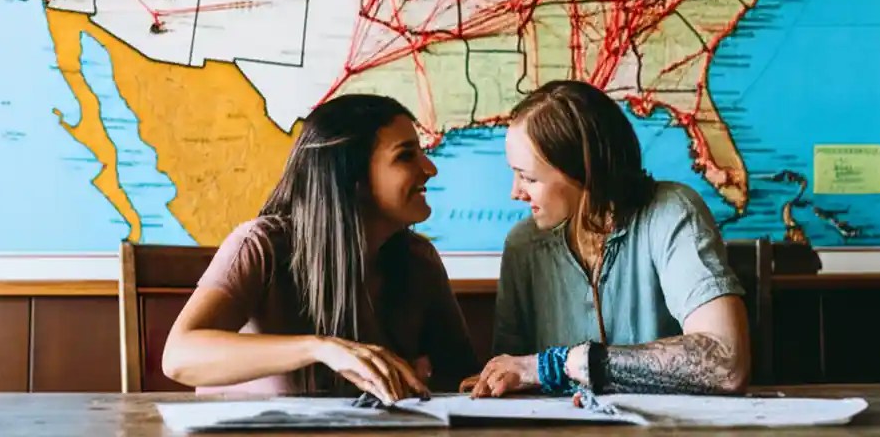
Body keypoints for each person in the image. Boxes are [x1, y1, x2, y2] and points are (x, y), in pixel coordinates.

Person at [162, 94, 479, 404]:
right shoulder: (260, 246)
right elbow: (178, 356)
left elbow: (462, 376)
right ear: (352, 178)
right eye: (405, 156)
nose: (430, 168)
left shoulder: (418, 259)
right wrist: (321, 349)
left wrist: (424, 376)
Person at [465, 80, 751, 398]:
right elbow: (512, 372)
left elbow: (726, 362)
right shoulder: (522, 245)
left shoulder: (672, 211)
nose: (515, 192)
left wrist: (562, 364)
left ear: (584, 174)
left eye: (529, 178)